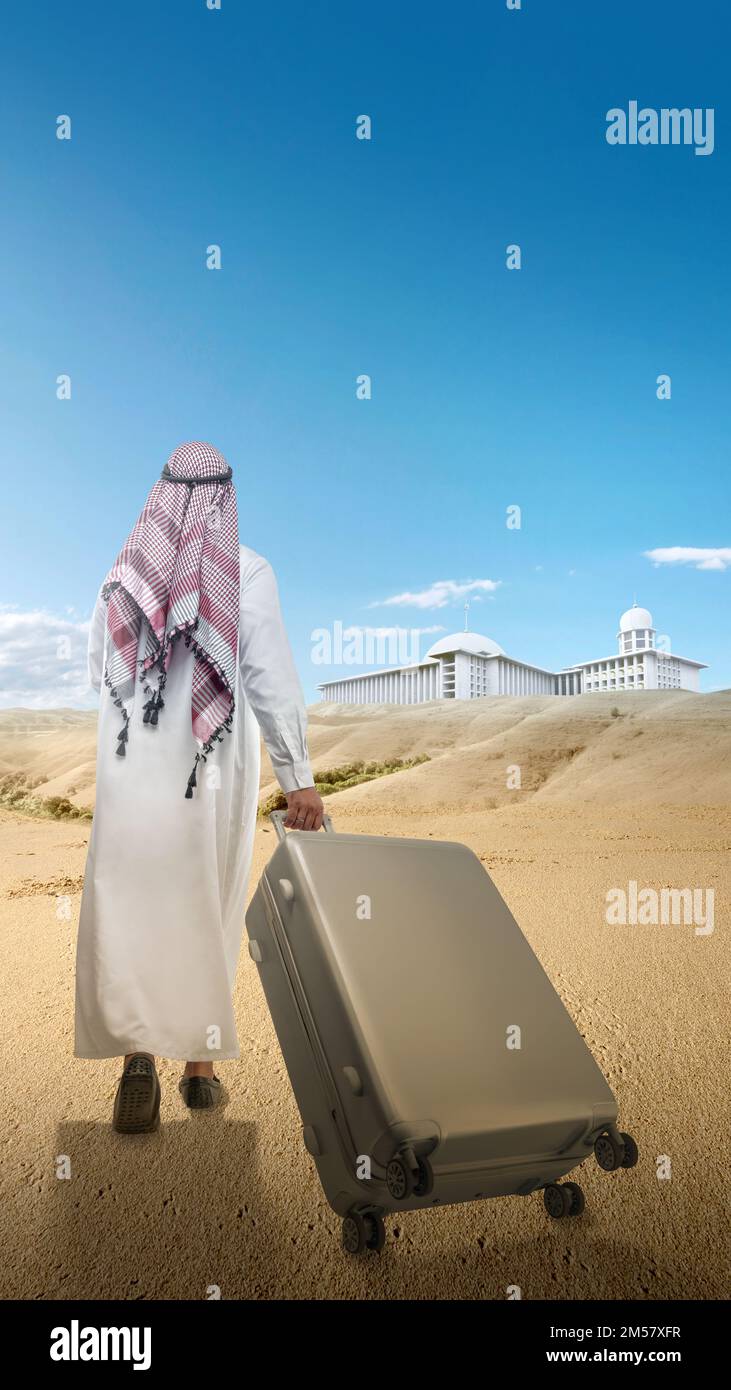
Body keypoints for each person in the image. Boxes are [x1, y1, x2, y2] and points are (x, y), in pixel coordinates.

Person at [74, 441, 324, 1131]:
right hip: (208, 769)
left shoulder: (125, 572)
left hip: (132, 769)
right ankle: (200, 1068)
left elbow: (100, 671)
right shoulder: (246, 571)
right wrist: (297, 778)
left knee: (131, 903)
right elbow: (270, 678)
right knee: (206, 900)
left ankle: (136, 1061)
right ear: (225, 497)